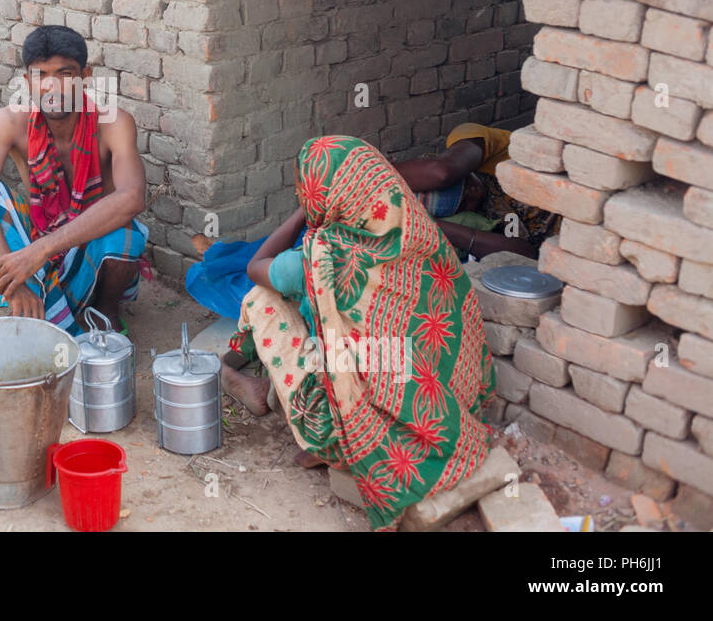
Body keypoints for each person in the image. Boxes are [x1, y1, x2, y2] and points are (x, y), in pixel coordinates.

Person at [221, 135, 495, 531]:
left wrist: (302, 213)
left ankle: (327, 443)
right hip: (452, 397)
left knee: (260, 300)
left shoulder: (319, 259)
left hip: (363, 425)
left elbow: (255, 265)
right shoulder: (419, 232)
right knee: (379, 341)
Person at [0, 25, 147, 332]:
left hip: (89, 249)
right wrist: (14, 279)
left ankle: (104, 312)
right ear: (26, 81)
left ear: (85, 77)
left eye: (65, 74)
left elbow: (132, 197)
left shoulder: (114, 122)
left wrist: (40, 250)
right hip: (34, 246)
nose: (52, 87)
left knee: (125, 236)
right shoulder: (10, 121)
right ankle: (24, 292)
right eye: (41, 75)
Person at [394, 122, 557, 260]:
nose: (474, 191)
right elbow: (526, 255)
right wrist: (433, 225)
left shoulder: (470, 137)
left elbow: (442, 172)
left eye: (464, 181)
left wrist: (376, 178)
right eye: (464, 201)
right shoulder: (482, 223)